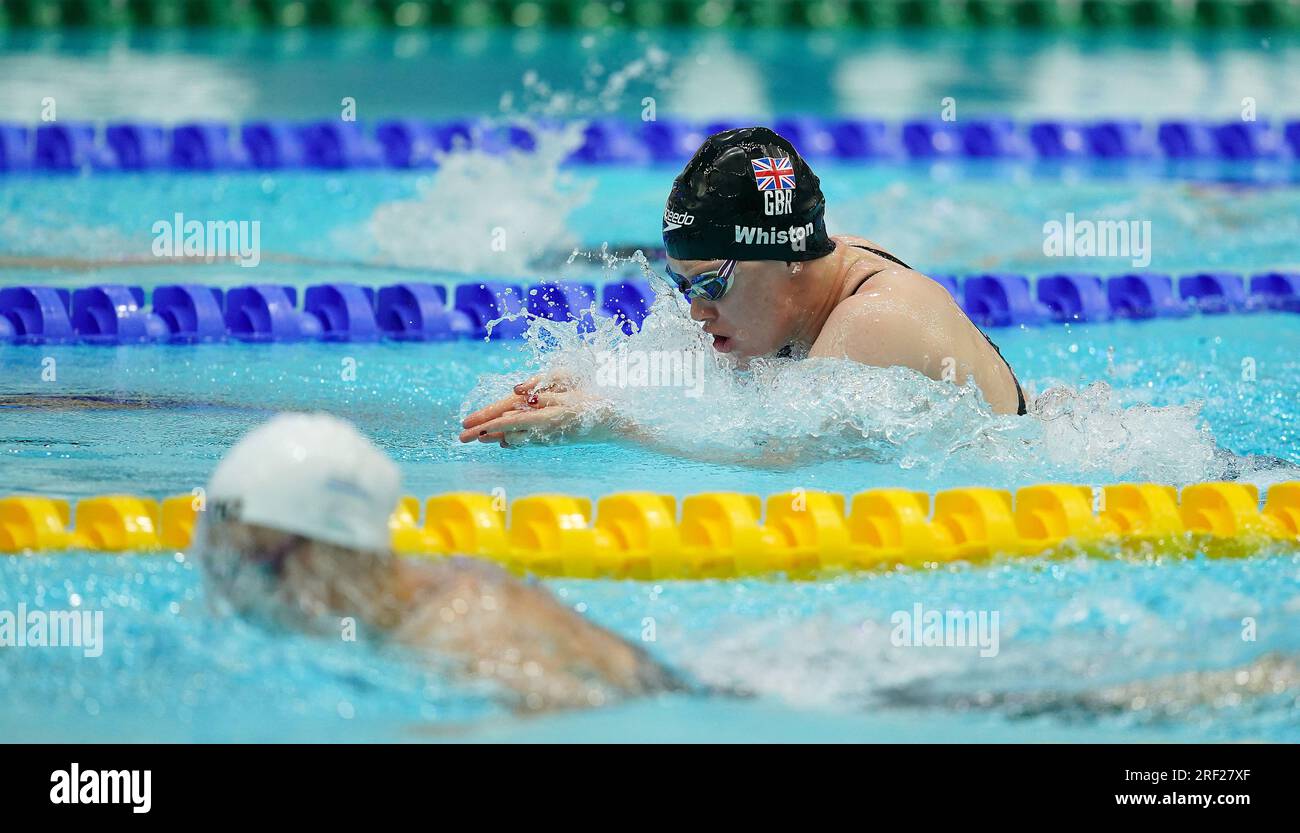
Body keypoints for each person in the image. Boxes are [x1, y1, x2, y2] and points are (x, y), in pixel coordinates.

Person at [461, 126, 1026, 449]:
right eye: (684, 287)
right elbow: (728, 402)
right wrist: (593, 386)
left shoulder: (872, 319)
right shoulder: (800, 290)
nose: (699, 312)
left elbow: (786, 459)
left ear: (788, 259)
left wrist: (607, 424)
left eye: (711, 283)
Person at [193, 412, 683, 712]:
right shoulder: (381, 613)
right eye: (223, 557)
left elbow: (585, 716)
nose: (232, 585)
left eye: (256, 561)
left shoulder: (462, 634)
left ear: (327, 552)